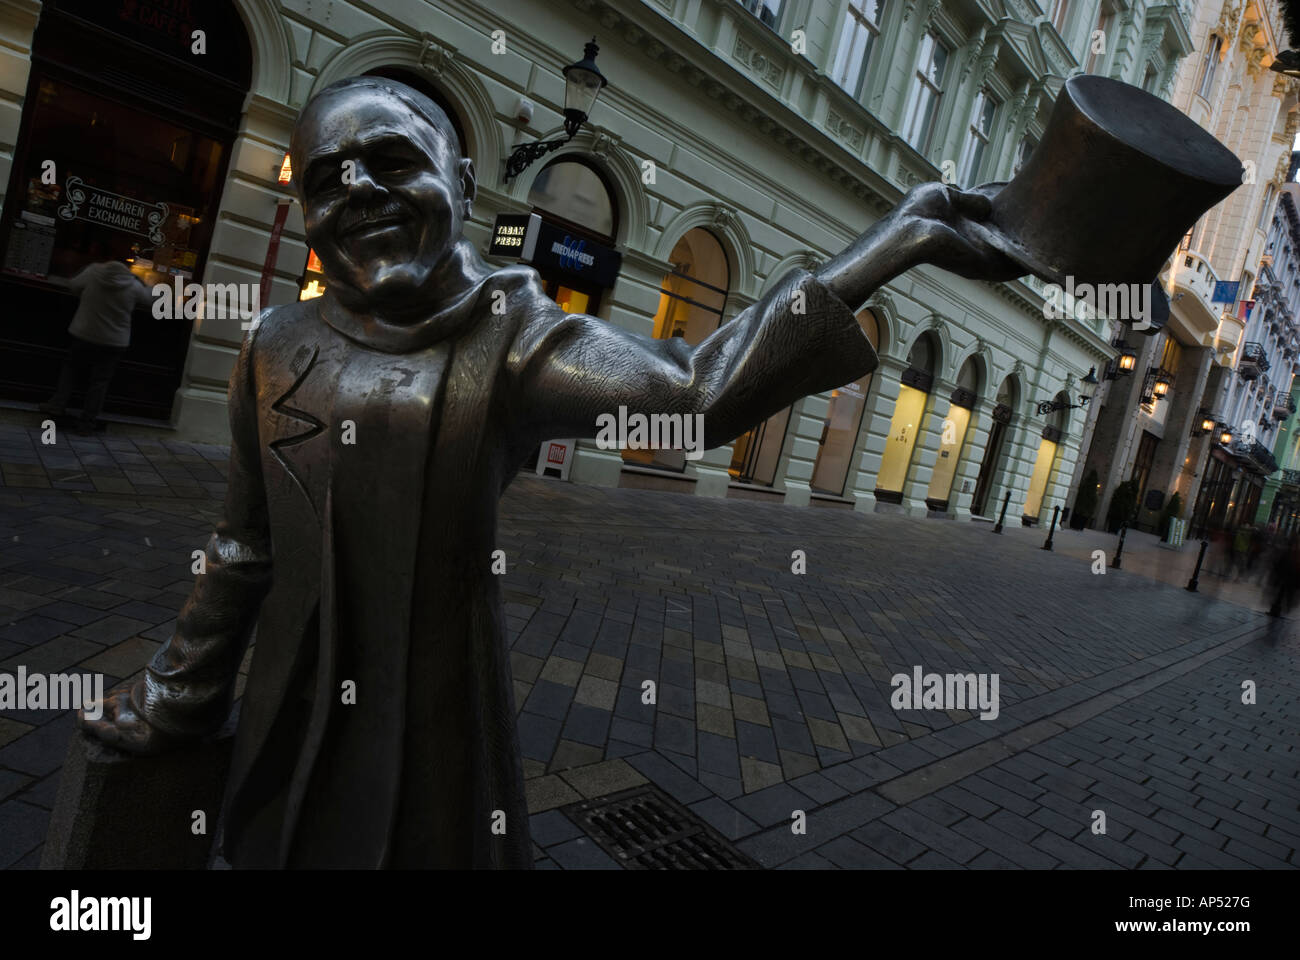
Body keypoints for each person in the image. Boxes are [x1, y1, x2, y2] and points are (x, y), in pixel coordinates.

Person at [76, 76, 1022, 868]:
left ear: (462, 175)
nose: (358, 189)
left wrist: (891, 245)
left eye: (394, 161)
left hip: (432, 710)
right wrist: (179, 692)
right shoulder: (274, 341)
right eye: (327, 180)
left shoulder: (516, 335)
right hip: (291, 694)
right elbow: (242, 543)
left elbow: (687, 397)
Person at [40, 258, 151, 432]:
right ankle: (87, 422)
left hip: (84, 333)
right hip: (114, 341)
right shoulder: (133, 285)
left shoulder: (92, 273)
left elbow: (73, 286)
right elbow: (149, 300)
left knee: (71, 370)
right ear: (128, 268)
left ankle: (57, 405)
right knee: (100, 381)